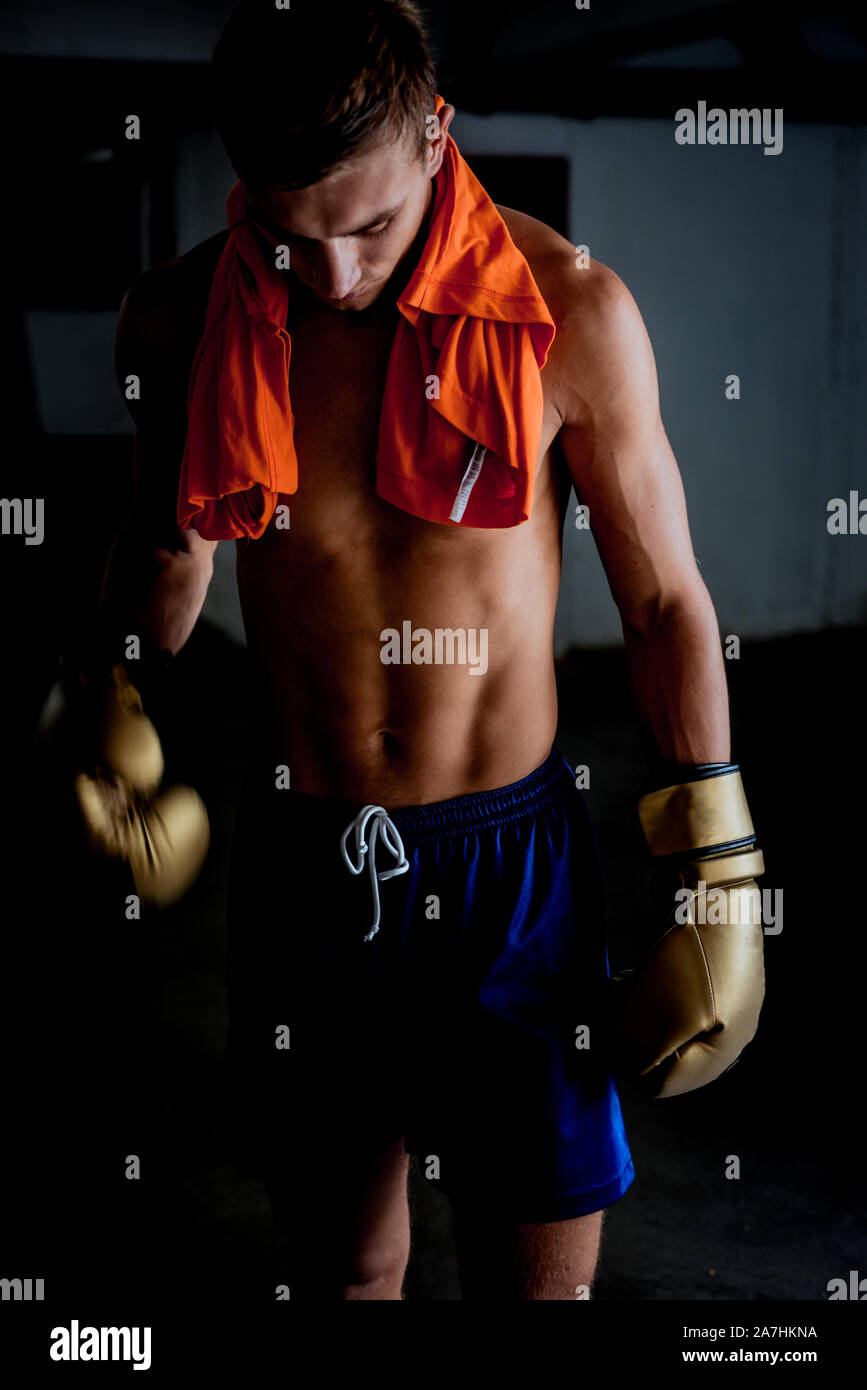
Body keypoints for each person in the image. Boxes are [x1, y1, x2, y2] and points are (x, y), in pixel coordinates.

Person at [77, 0, 764, 1300]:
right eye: (290, 233)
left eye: (373, 226)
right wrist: (108, 687)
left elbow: (669, 601)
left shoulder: (572, 311)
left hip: (511, 870)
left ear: (439, 132)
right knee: (346, 1274)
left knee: (538, 1289)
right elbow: (165, 561)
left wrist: (722, 869)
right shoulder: (178, 321)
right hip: (307, 866)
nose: (334, 274)